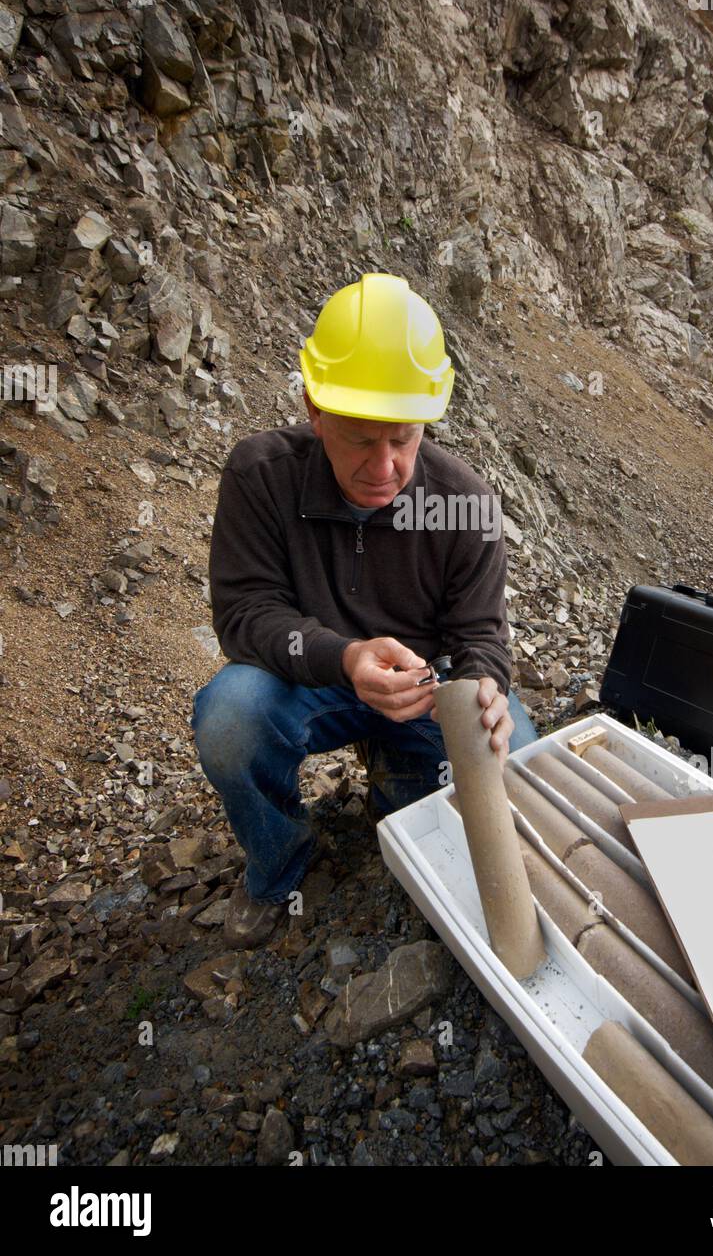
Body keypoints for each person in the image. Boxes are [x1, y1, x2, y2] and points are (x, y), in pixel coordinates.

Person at [190, 272, 538, 948]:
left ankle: (396, 775)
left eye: (403, 439)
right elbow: (242, 614)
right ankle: (278, 863)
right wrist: (343, 658)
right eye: (359, 439)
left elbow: (480, 638)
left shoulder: (464, 501)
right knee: (230, 717)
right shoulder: (260, 475)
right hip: (306, 678)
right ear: (314, 409)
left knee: (514, 755)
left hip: (420, 689)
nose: (384, 467)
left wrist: (485, 690)